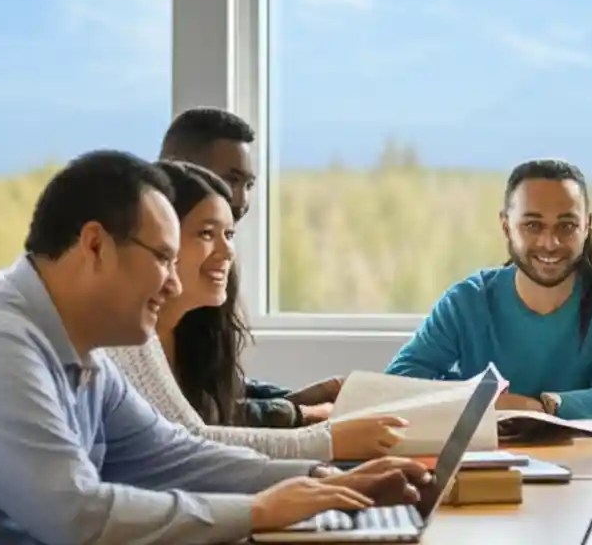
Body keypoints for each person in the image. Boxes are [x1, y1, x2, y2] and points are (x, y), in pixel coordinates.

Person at [0, 151, 427, 543]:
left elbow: (170, 453)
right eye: (162, 260)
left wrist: (323, 479)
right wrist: (258, 510)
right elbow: (77, 517)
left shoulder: (80, 345)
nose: (174, 285)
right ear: (94, 245)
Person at [106, 161, 404, 461]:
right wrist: (324, 436)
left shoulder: (190, 331)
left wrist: (300, 406)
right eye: (207, 234)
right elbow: (189, 441)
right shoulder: (128, 336)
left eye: (229, 235)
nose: (227, 252)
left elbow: (213, 417)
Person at [386, 159, 592, 420]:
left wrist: (540, 407)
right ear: (506, 226)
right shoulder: (468, 302)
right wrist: (473, 397)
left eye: (567, 226)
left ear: (587, 226)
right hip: (491, 462)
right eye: (532, 225)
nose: (550, 242)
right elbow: (396, 386)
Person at [161, 106, 339, 428]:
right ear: (176, 171)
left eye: (248, 185)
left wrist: (293, 399)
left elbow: (205, 391)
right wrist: (301, 415)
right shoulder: (138, 292)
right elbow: (179, 417)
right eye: (230, 180)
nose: (241, 201)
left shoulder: (215, 263)